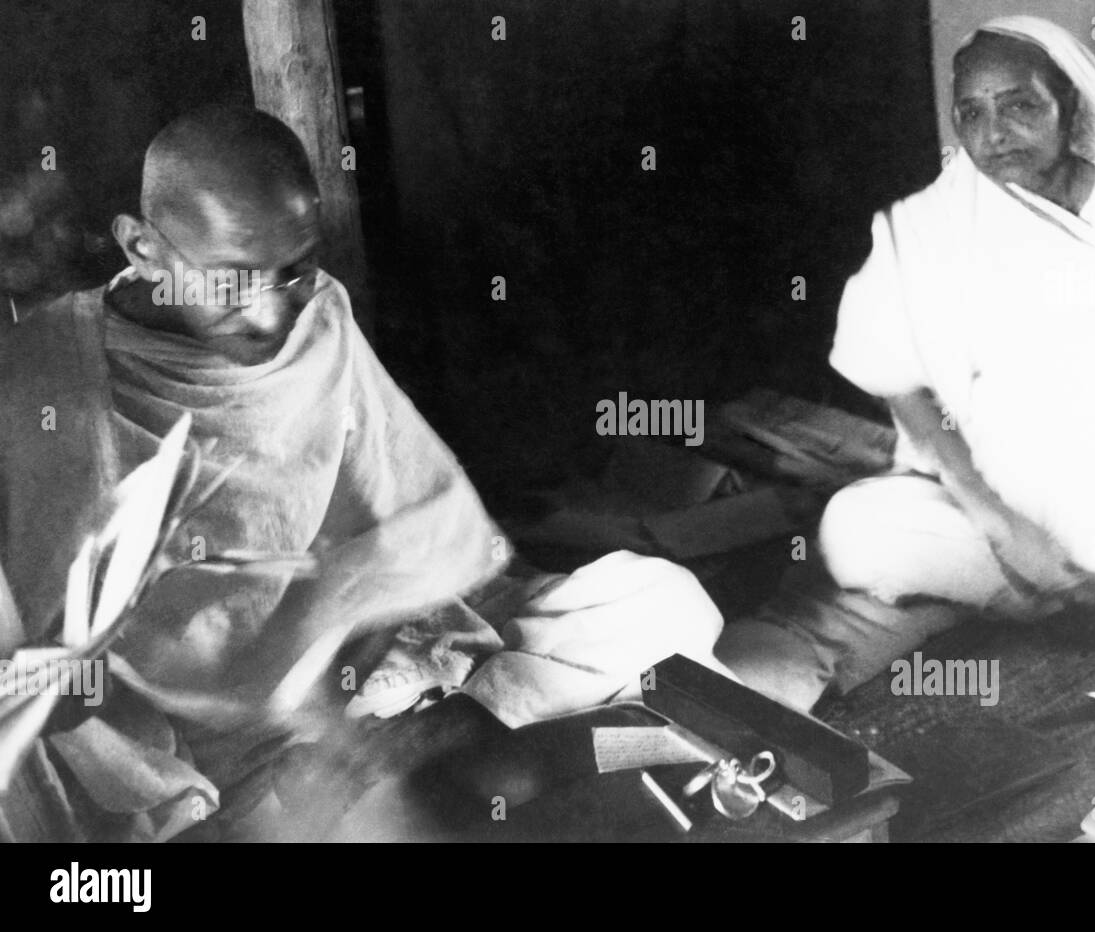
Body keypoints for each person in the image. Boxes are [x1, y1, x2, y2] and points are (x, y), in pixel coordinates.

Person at [0, 105, 726, 841]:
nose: (269, 315)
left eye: (295, 270)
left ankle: (445, 732)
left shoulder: (319, 319)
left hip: (351, 686)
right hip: (190, 754)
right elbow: (40, 656)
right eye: (231, 282)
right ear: (144, 247)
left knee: (662, 600)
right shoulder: (42, 375)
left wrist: (358, 658)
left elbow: (416, 520)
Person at [718, 15, 1095, 712]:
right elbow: (903, 389)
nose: (993, 135)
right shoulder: (928, 226)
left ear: (1070, 105)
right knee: (852, 531)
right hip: (1013, 502)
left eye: (1020, 105)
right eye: (971, 113)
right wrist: (1000, 523)